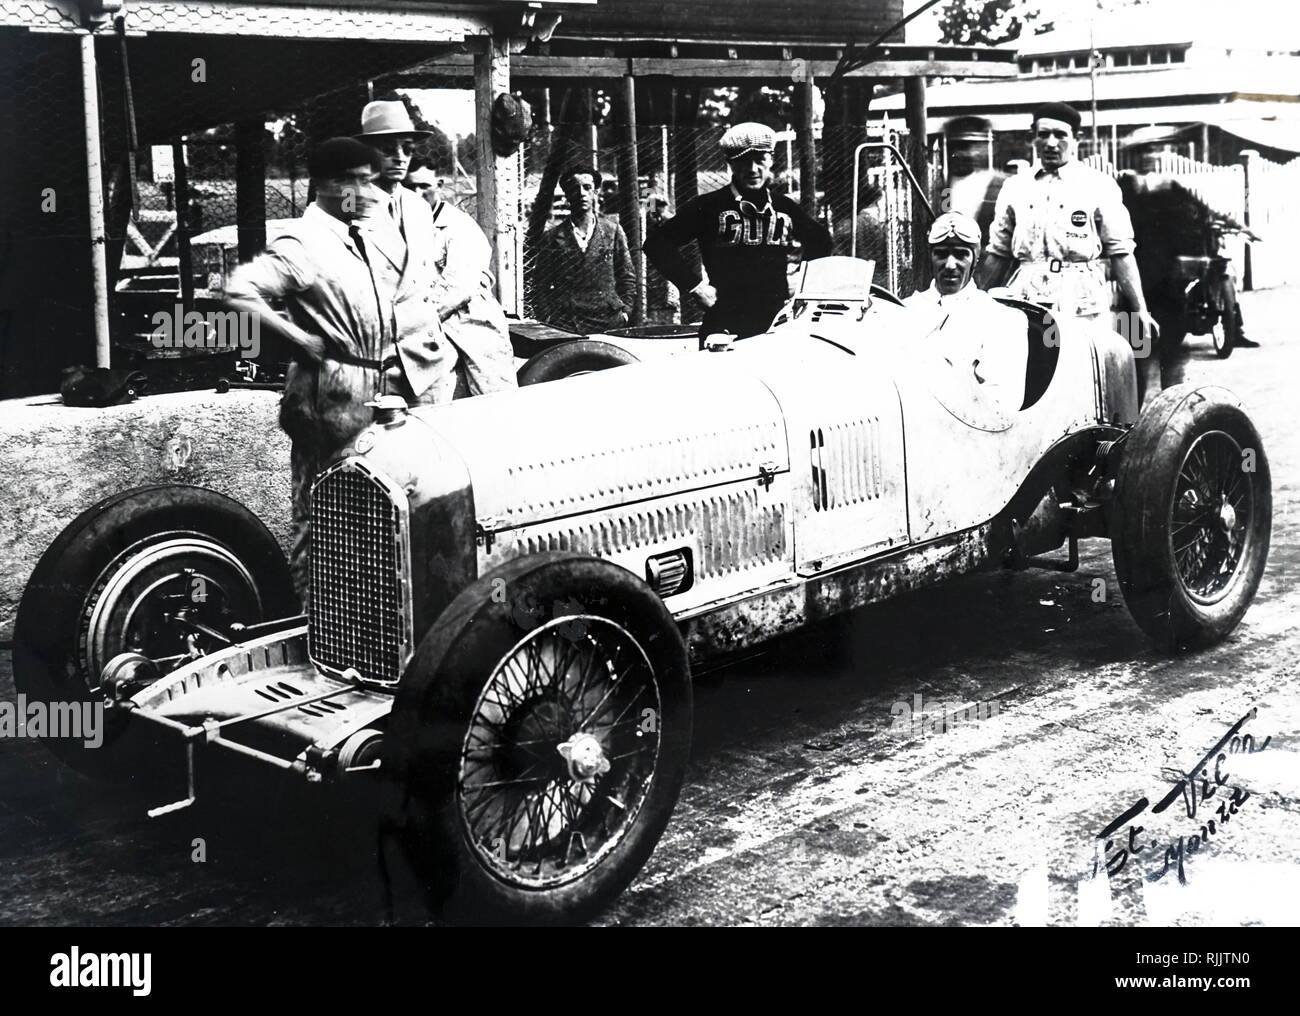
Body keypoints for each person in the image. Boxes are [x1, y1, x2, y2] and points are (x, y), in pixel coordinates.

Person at [225, 138, 454, 600]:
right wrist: (299, 339)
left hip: (381, 386)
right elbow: (239, 290)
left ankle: (376, 626)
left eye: (372, 182)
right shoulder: (303, 242)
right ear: (331, 186)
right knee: (326, 517)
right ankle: (316, 625)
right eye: (362, 182)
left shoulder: (361, 233)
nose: (372, 193)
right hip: (332, 397)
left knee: (382, 515)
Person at [977, 101, 1161, 400]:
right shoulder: (1015, 187)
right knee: (1026, 374)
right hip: (1027, 289)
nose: (1051, 143)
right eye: (1043, 134)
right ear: (1032, 137)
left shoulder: (1098, 185)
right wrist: (976, 300)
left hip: (1081, 294)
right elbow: (998, 253)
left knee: (1083, 378)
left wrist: (1139, 309)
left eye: (1061, 135)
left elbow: (1121, 252)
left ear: (1078, 139)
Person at [358, 100, 515, 395]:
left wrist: (406, 322)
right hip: (402, 327)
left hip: (466, 323)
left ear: (439, 185)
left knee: (490, 398)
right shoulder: (354, 204)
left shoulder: (452, 224)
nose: (399, 157)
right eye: (388, 149)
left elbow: (457, 287)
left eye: (406, 148)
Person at [643, 122, 833, 342]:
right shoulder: (710, 206)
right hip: (725, 320)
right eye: (743, 161)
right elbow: (657, 244)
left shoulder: (784, 206)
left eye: (760, 160)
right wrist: (696, 288)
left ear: (771, 160)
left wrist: (801, 284)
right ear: (730, 163)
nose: (752, 169)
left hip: (776, 321)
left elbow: (821, 240)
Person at [1117, 126, 1260, 350]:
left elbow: (1203, 209)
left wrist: (1241, 227)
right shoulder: (1123, 187)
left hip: (1168, 268)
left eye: (1154, 151)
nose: (1149, 157)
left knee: (1172, 347)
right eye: (1144, 152)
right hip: (1137, 265)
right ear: (1135, 155)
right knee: (1135, 348)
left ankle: (1234, 329)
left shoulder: (1169, 186)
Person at [399, 157, 519, 395]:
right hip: (430, 322)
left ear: (440, 185)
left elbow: (457, 289)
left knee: (494, 393)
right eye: (411, 187)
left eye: (425, 186)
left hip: (469, 318)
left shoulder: (458, 226)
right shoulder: (405, 225)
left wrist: (412, 320)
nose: (418, 193)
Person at [904, 211, 1028, 415]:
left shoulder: (1001, 320)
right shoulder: (904, 311)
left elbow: (1001, 406)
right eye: (941, 254)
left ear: (975, 259)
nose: (950, 265)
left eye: (961, 254)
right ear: (931, 257)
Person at [533, 166, 635, 333]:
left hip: (607, 319)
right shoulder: (552, 237)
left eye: (587, 187)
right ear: (566, 194)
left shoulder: (612, 231)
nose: (581, 193)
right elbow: (540, 284)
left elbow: (627, 276)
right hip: (568, 321)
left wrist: (625, 313)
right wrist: (548, 318)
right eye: (574, 188)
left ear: (595, 191)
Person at [942, 115, 1006, 247]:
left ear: (985, 148)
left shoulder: (1000, 185)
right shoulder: (944, 185)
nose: (963, 153)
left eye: (971, 146)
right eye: (957, 146)